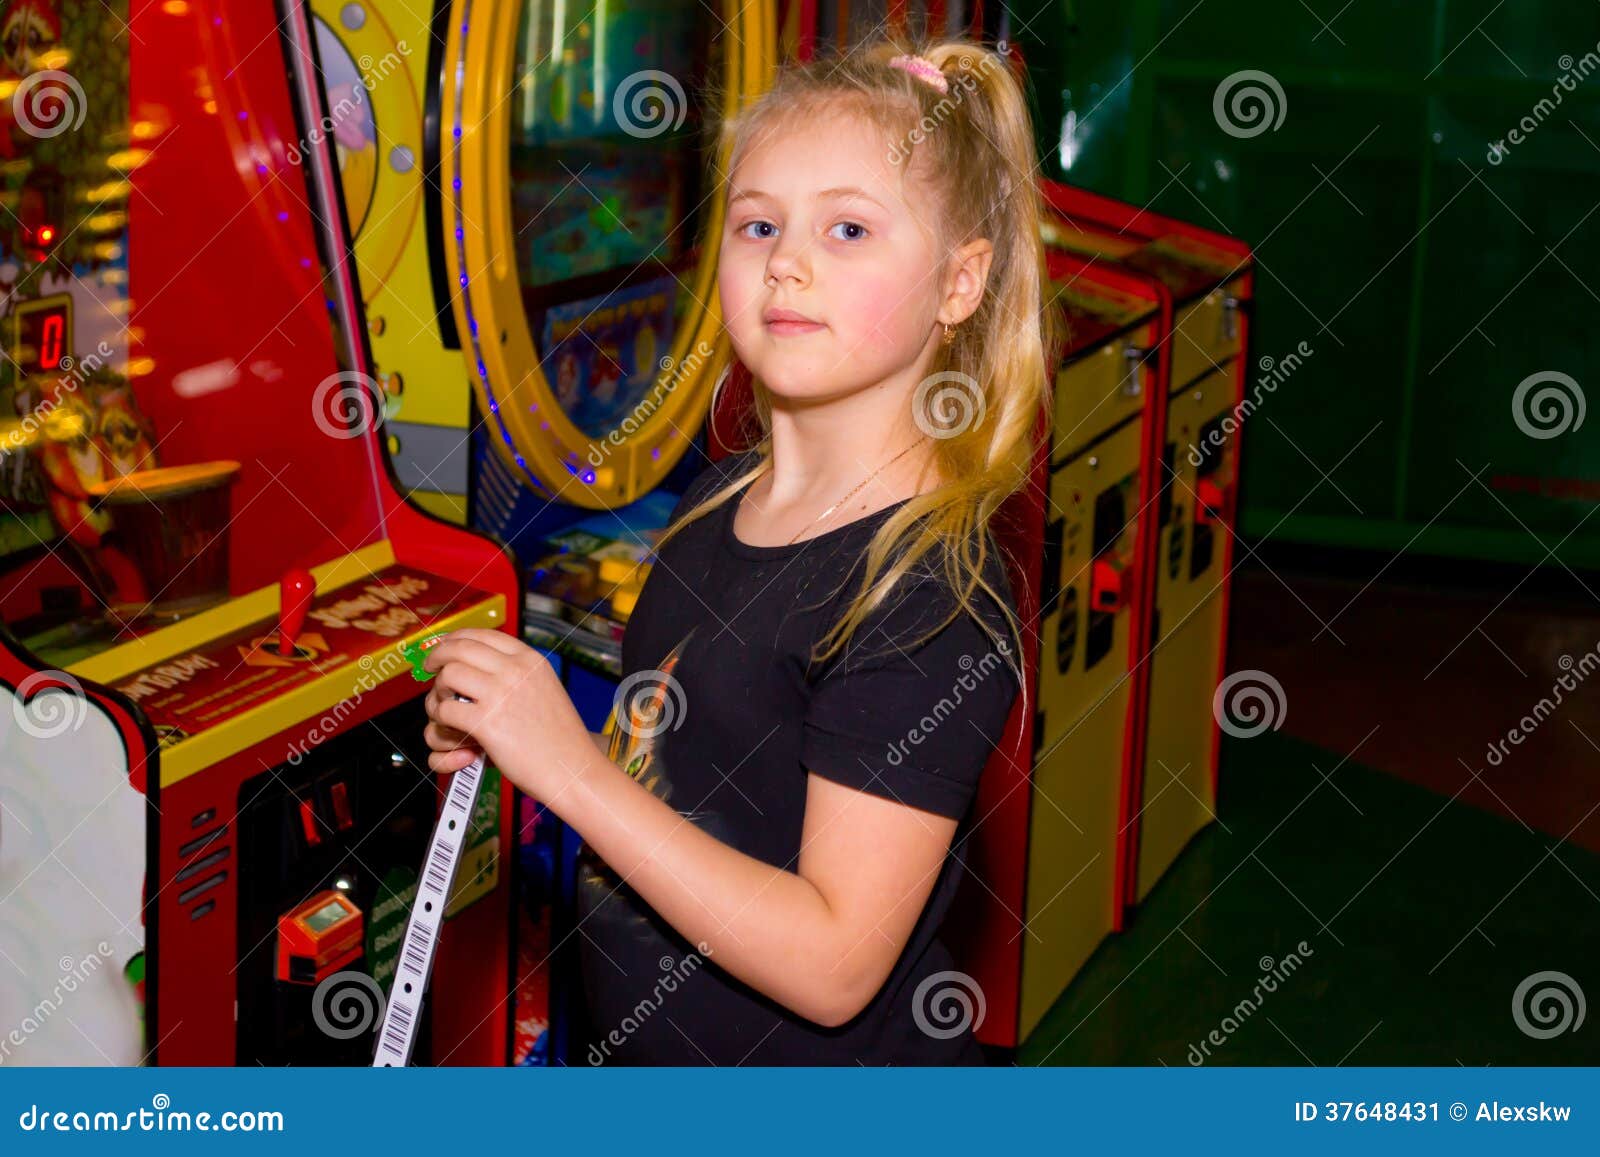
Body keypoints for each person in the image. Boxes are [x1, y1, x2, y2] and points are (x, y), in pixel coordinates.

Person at [422, 35, 1054, 1064]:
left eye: (848, 227)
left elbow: (835, 961)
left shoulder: (927, 596)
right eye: (758, 223)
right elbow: (679, 763)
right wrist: (517, 739)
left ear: (959, 282)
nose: (788, 260)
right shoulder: (718, 498)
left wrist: (571, 769)